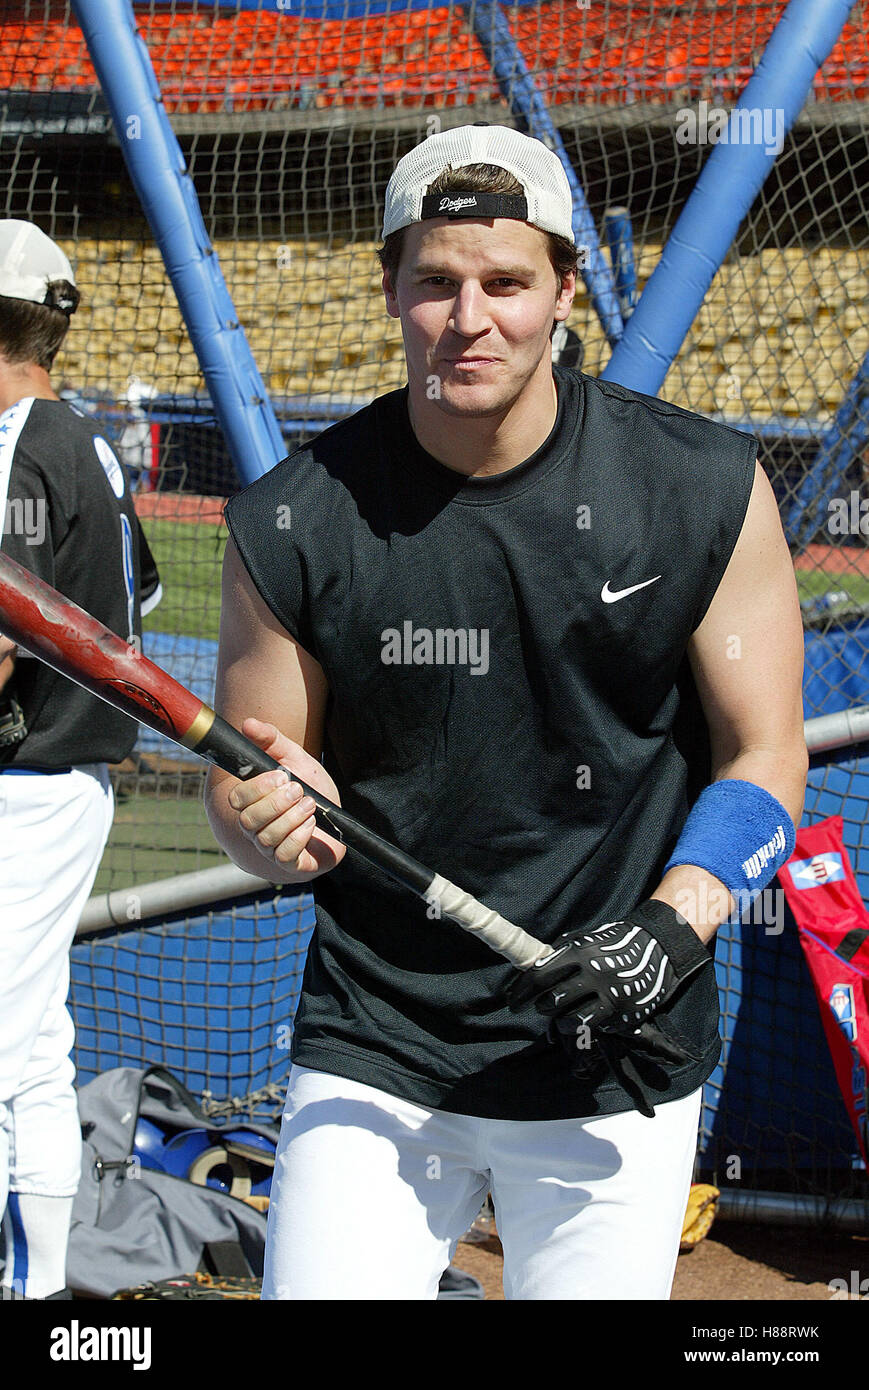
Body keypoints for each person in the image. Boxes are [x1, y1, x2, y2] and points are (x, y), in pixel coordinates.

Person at [205, 125, 808, 1300]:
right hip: (378, 1040)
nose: (467, 316)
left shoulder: (696, 486)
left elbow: (765, 751)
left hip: (617, 1049)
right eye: (433, 281)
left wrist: (669, 929)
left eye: (504, 282)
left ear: (563, 289)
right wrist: (267, 821)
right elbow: (241, 797)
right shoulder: (290, 522)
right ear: (388, 288)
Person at [0, 220, 161, 1300]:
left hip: (24, 782)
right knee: (30, 1041)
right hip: (68, 781)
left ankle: (37, 1286)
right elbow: (135, 598)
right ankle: (42, 1284)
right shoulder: (87, 439)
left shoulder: (16, 442)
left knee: (12, 1046)